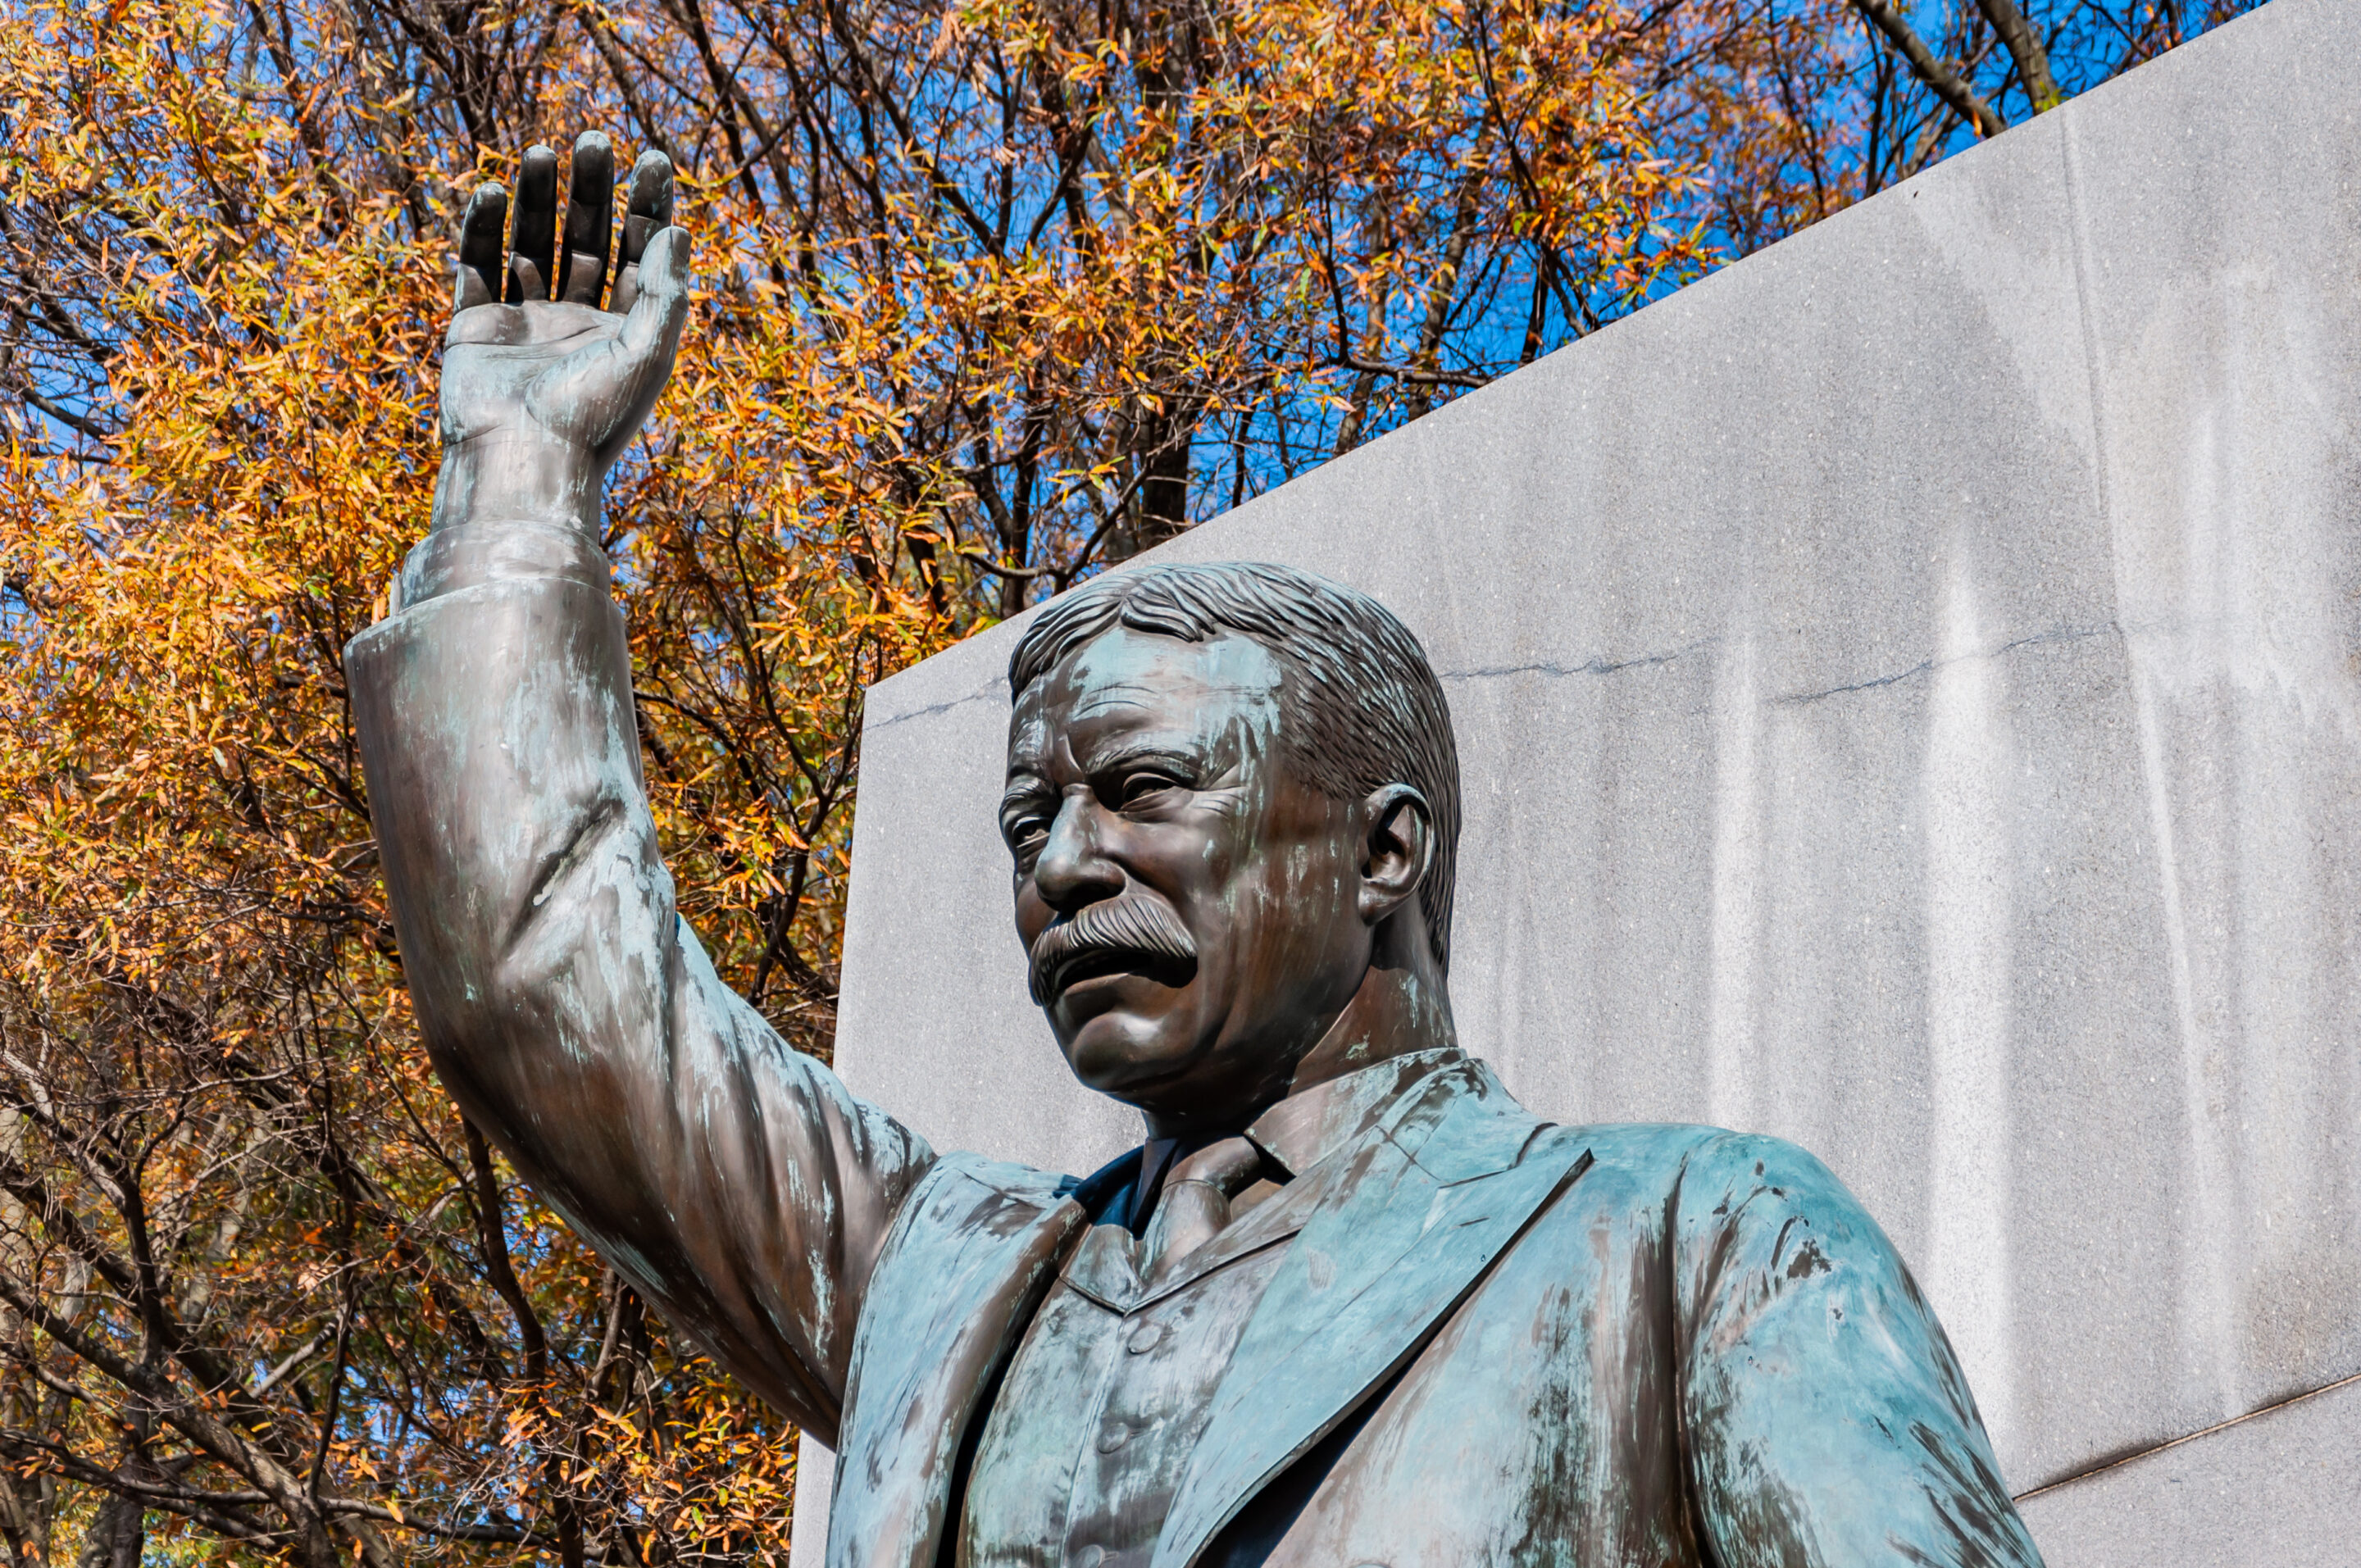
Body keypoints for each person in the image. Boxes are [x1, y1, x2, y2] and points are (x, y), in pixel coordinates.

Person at [348, 134, 2045, 1568]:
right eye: (1032, 821)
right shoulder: (938, 1280)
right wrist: (516, 474)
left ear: (1384, 853)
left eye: (1144, 789)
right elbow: (541, 984)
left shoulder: (1690, 1245)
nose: (1065, 864)